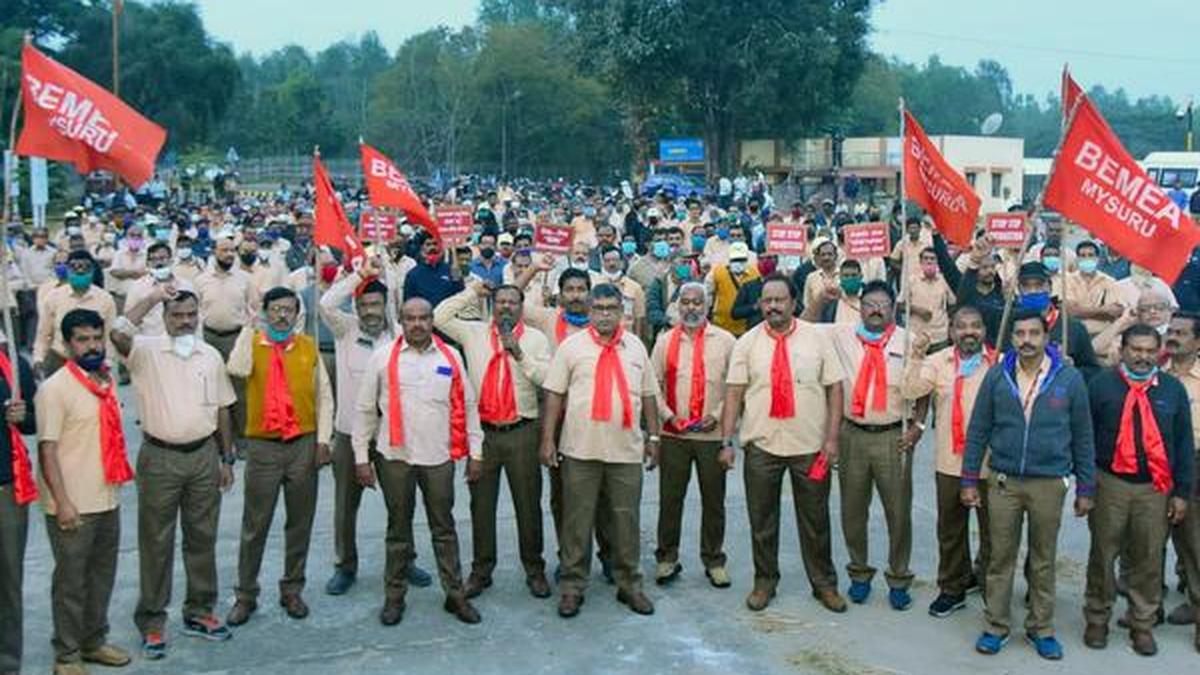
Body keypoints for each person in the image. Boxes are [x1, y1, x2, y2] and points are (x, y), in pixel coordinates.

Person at [961, 309, 1096, 660]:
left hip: (1049, 483)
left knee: (1043, 559)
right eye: (1020, 334)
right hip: (1004, 482)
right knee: (999, 557)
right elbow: (979, 429)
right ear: (1012, 339)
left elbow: (1083, 435)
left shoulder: (1069, 378)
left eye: (1034, 333)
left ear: (1046, 338)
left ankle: (1041, 628)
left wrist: (1086, 487)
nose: (1026, 340)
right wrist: (969, 479)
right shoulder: (997, 375)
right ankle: (996, 626)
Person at [112, 288, 237, 659]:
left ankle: (199, 610)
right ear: (165, 317)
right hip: (160, 458)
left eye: (190, 315)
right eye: (177, 315)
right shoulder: (146, 351)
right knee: (156, 542)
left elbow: (222, 408)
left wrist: (226, 458)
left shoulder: (209, 355)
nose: (185, 321)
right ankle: (152, 621)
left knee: (202, 537)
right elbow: (117, 332)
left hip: (203, 457)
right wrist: (152, 297)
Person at [352, 297, 484, 626]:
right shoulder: (383, 357)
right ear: (401, 321)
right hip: (395, 458)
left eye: (423, 318)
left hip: (438, 457)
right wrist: (360, 459)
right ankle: (394, 597)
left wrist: (476, 452)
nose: (417, 324)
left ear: (432, 321)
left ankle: (455, 595)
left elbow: (468, 406)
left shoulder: (450, 356)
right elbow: (365, 410)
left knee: (444, 529)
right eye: (410, 318)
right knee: (398, 530)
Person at [721, 274, 847, 613]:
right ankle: (765, 582)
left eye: (780, 300)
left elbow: (835, 388)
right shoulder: (747, 343)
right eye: (767, 300)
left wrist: (832, 439)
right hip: (762, 447)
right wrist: (726, 441)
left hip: (810, 447)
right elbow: (733, 393)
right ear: (760, 304)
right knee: (762, 520)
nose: (773, 306)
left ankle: (824, 584)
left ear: (794, 303)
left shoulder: (817, 339)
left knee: (816, 520)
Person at [541, 283, 662, 618]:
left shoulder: (635, 347)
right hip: (580, 450)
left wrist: (654, 437)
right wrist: (547, 439)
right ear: (590, 311)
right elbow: (554, 394)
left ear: (622, 312)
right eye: (599, 309)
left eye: (612, 309)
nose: (605, 315)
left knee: (626, 521)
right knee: (577, 522)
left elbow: (649, 394)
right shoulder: (571, 347)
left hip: (625, 451)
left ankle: (630, 585)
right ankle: (572, 587)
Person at [316, 259, 433, 595]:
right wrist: (361, 275)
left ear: (385, 306)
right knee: (345, 506)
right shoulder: (345, 329)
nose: (370, 311)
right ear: (356, 307)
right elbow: (326, 303)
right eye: (364, 305)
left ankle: (404, 560)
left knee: (401, 503)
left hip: (391, 434)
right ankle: (345, 565)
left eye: (376, 304)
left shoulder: (398, 335)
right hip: (350, 433)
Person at [433, 280, 552, 599]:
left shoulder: (536, 339)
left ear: (521, 307)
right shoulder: (473, 333)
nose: (506, 307)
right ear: (492, 305)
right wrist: (473, 291)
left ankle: (535, 569)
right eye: (501, 302)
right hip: (483, 433)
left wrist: (519, 354)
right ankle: (481, 571)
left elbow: (546, 378)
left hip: (521, 431)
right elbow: (440, 316)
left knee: (528, 505)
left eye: (513, 302)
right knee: (481, 505)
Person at [1082, 323, 1194, 656]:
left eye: (1150, 351)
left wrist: (1181, 492)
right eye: (1136, 349)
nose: (1143, 357)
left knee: (1148, 558)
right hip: (1110, 483)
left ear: (1158, 352)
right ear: (1123, 350)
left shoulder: (1172, 390)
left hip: (1155, 487)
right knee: (1103, 554)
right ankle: (1097, 618)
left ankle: (1141, 623)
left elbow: (1183, 443)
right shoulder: (1101, 385)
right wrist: (1086, 485)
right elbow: (1085, 437)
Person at [225, 287, 334, 626]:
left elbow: (324, 397)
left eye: (288, 309)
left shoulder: (308, 347)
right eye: (275, 309)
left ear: (297, 314)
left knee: (300, 522)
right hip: (264, 447)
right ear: (266, 312)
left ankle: (292, 589)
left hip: (302, 444)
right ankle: (245, 595)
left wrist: (323, 440)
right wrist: (248, 328)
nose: (282, 315)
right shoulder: (253, 345)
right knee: (255, 524)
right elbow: (236, 369)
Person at [37, 309, 135, 675]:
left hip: (106, 496)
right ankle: (67, 655)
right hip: (72, 503)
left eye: (96, 338)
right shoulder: (55, 389)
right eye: (82, 340)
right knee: (71, 583)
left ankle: (93, 642)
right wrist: (63, 503)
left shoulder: (105, 381)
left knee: (101, 576)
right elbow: (47, 450)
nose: (92, 346)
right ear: (67, 345)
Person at [830, 280, 923, 611]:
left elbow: (923, 388)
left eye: (883, 305)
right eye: (870, 304)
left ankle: (898, 578)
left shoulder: (909, 341)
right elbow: (805, 326)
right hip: (853, 434)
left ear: (893, 308)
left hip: (893, 436)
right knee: (853, 510)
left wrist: (918, 426)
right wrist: (822, 297)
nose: (876, 310)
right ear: (860, 307)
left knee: (898, 512)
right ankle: (859, 573)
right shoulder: (842, 336)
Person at [902, 304, 994, 617]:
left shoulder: (998, 363)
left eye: (975, 325)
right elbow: (910, 390)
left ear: (984, 330)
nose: (969, 332)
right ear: (952, 331)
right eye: (962, 326)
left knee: (994, 531)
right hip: (950, 461)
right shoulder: (937, 362)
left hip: (991, 464)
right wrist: (916, 355)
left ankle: (989, 582)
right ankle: (953, 588)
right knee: (951, 530)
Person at [650, 283, 736, 587]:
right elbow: (652, 386)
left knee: (714, 501)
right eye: (685, 302)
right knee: (670, 500)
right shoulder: (664, 341)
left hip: (711, 437)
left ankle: (714, 560)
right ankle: (666, 559)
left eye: (697, 302)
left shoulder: (725, 341)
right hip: (674, 436)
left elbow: (735, 387)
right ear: (677, 306)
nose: (691, 308)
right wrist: (668, 417)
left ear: (707, 305)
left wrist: (718, 415)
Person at [0, 335, 36, 675]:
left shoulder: (11, 361)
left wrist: (23, 416)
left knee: (8, 582)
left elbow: (34, 422)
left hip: (6, 490)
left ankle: (7, 664)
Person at [1164, 312, 1200, 650]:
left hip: (1195, 462)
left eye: (1182, 333)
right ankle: (1144, 608)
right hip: (1156, 463)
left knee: (1193, 541)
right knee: (1150, 539)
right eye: (1171, 331)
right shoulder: (1156, 372)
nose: (1173, 337)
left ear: (1198, 341)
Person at [1007, 262, 1099, 379]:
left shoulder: (1073, 328)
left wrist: (1072, 370)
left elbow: (1092, 371)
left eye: (1039, 285)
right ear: (1019, 290)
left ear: (1050, 287)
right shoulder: (1007, 325)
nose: (1033, 291)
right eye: (1026, 286)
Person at [33, 251, 117, 377]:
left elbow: (109, 334)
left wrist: (108, 362)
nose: (80, 271)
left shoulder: (106, 299)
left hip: (93, 362)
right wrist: (38, 359)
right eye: (74, 267)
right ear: (67, 270)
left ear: (93, 271)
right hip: (59, 360)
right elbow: (43, 333)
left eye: (85, 267)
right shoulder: (53, 297)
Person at [1065, 241, 1123, 338]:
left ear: (1097, 258)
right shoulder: (1068, 280)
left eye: (1090, 255)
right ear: (1077, 259)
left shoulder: (1109, 281)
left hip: (1102, 335)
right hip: (1074, 334)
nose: (1087, 258)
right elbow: (1071, 312)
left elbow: (1113, 313)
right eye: (1083, 256)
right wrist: (1103, 309)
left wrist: (1081, 311)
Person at [902, 248, 955, 350]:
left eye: (932, 258)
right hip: (916, 336)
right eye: (926, 258)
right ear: (920, 262)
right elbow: (900, 305)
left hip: (939, 337)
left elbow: (952, 305)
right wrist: (917, 310)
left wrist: (949, 327)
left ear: (937, 262)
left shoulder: (944, 281)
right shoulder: (911, 280)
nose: (929, 261)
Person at [705, 242, 758, 337]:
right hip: (721, 326)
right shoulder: (717, 272)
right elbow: (707, 295)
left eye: (742, 259)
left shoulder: (755, 274)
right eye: (735, 260)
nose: (738, 263)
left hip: (745, 329)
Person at [403, 235, 465, 310]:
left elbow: (460, 293)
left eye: (435, 244)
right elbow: (409, 303)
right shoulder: (413, 274)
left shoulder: (451, 270)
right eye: (428, 244)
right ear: (422, 248)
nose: (432, 247)